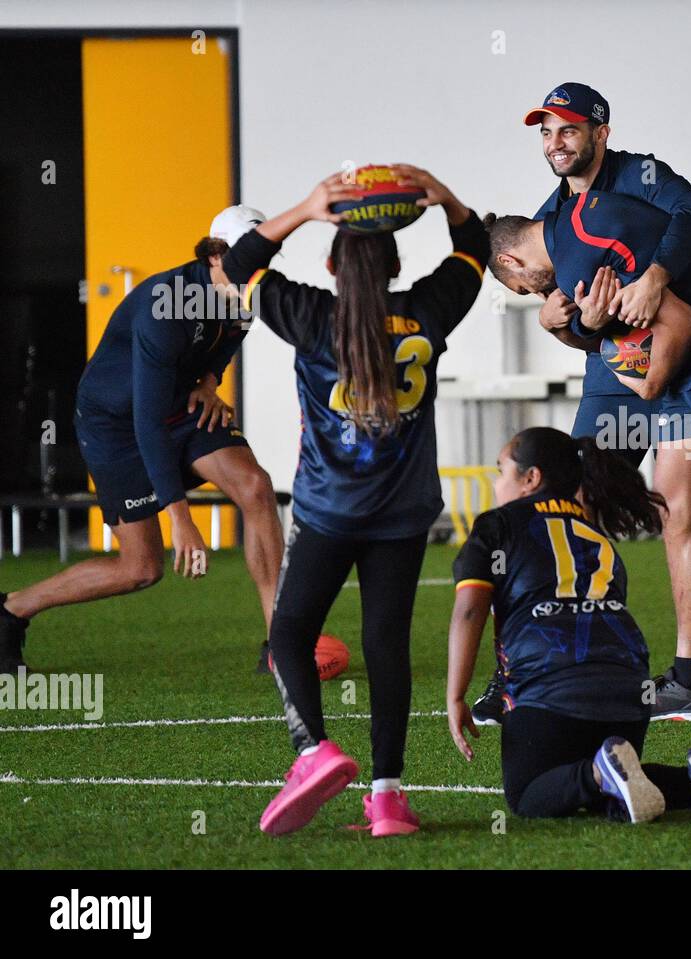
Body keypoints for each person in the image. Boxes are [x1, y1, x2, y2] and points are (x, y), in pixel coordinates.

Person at [220, 168, 488, 835]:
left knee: (288, 634)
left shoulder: (311, 315)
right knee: (386, 646)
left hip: (328, 511)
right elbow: (476, 248)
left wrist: (309, 208)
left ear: (333, 264)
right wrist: (443, 196)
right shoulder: (429, 308)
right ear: (398, 260)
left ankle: (312, 751)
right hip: (403, 516)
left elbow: (239, 260)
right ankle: (389, 798)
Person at [484, 189, 691, 733]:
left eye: (520, 288)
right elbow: (614, 334)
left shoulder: (588, 228)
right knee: (674, 504)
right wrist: (561, 324)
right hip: (679, 363)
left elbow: (672, 331)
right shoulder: (560, 219)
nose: (535, 292)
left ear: (512, 263)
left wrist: (608, 346)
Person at [468, 82, 691, 727]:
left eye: (568, 129)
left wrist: (655, 276)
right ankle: (533, 670)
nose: (556, 142)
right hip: (616, 367)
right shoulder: (554, 209)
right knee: (567, 498)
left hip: (689, 348)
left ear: (599, 132)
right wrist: (555, 320)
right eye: (546, 132)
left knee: (689, 504)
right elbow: (564, 301)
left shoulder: (638, 176)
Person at [0, 206, 283, 675]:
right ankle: (12, 610)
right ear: (214, 254)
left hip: (182, 406)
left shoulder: (247, 290)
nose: (255, 270)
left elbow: (235, 332)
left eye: (261, 260)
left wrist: (211, 380)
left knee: (255, 486)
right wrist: (180, 519)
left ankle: (281, 643)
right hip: (117, 424)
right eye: (245, 258)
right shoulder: (164, 303)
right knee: (141, 569)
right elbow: (146, 422)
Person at [447, 426, 691, 822]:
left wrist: (456, 695)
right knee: (615, 795)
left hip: (550, 690)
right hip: (627, 693)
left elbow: (469, 610)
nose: (497, 484)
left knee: (529, 796)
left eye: (502, 471)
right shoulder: (595, 535)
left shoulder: (497, 525)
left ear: (530, 478)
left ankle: (601, 770)